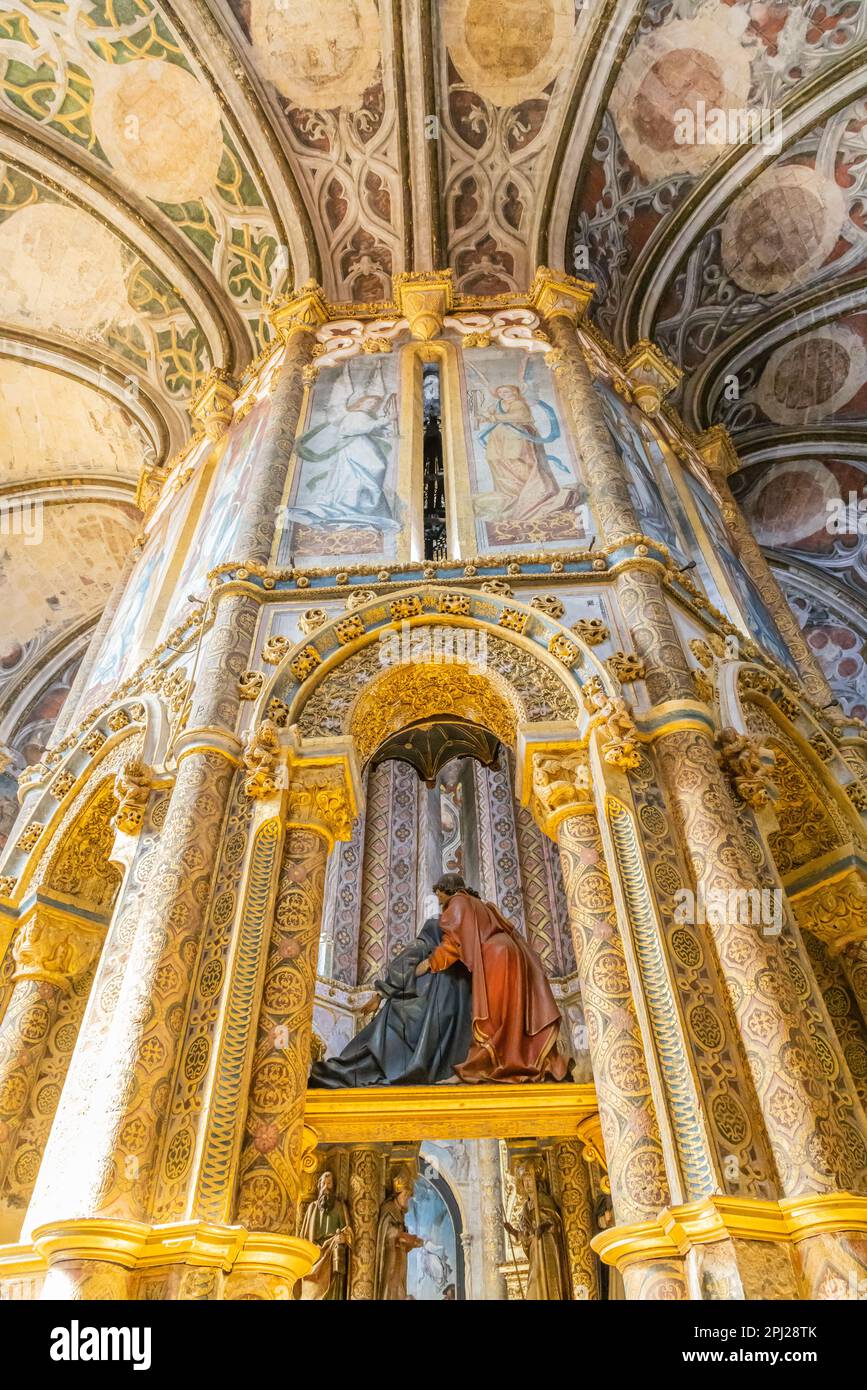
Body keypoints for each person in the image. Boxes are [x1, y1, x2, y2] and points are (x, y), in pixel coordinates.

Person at [416, 874, 570, 1083]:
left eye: (439, 892)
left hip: (496, 957)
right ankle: (532, 1059)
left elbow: (454, 941)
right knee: (515, 1012)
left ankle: (490, 1065)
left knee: (496, 1016)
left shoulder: (458, 903)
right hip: (512, 953)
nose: (438, 897)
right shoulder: (480, 904)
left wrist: (430, 963)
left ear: (447, 889)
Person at [309, 917, 472, 1088]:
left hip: (414, 1016)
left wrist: (381, 993)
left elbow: (401, 967)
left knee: (377, 1041)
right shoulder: (465, 968)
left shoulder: (426, 944)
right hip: (444, 1027)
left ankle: (339, 1073)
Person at [504, 1161, 570, 1300]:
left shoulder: (543, 1199)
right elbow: (526, 1236)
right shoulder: (525, 1207)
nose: (527, 1185)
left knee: (545, 1279)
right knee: (534, 1281)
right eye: (524, 1181)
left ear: (536, 1181)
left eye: (529, 1180)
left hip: (546, 1246)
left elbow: (554, 1220)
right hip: (535, 1249)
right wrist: (514, 1232)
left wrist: (544, 1227)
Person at [296, 1170, 352, 1300]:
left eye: (329, 1183)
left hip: (332, 1252)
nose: (326, 1187)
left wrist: (342, 1238)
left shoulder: (339, 1207)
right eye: (324, 1183)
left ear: (334, 1186)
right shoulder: (312, 1208)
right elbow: (304, 1236)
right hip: (314, 1254)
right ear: (319, 1186)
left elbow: (347, 1230)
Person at [375, 1168, 424, 1299]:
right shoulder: (388, 1208)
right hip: (389, 1255)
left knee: (400, 1286)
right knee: (390, 1283)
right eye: (406, 1196)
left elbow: (400, 1236)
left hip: (399, 1255)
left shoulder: (400, 1214)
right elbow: (386, 1231)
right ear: (398, 1193)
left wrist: (411, 1242)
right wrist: (405, 1236)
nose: (407, 1199)